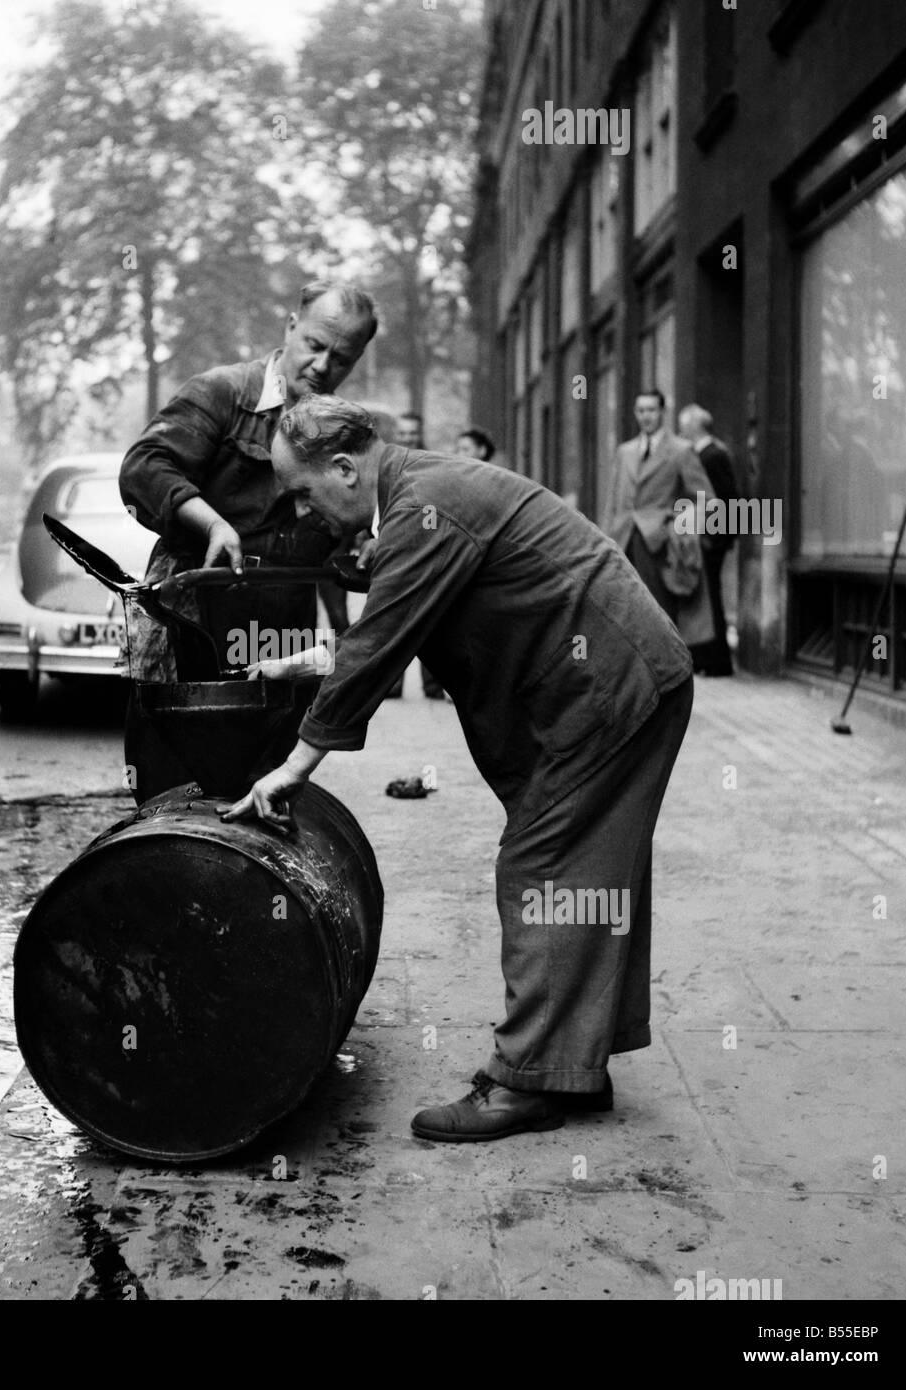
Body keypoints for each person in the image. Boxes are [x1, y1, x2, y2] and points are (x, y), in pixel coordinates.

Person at [223, 395, 693, 1142]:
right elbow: (401, 623)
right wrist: (301, 662)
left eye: (304, 491)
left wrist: (294, 766)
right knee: (588, 874)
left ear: (344, 468)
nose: (304, 511)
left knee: (543, 866)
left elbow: (379, 640)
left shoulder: (424, 506)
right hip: (617, 677)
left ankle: (527, 1084)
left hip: (612, 685)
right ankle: (570, 1067)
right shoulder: (418, 497)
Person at [118, 282, 377, 791]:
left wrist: (367, 542)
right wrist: (211, 522)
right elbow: (143, 468)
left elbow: (359, 517)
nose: (324, 367)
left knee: (266, 784)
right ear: (290, 327)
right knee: (173, 787)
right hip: (194, 626)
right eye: (315, 346)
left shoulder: (342, 434)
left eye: (342, 358)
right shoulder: (223, 394)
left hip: (282, 635)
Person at [605, 389, 715, 651]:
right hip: (623, 541)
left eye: (652, 410)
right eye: (641, 410)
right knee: (623, 614)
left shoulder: (680, 451)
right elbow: (613, 501)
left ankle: (663, 673)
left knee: (658, 616)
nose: (646, 416)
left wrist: (678, 524)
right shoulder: (625, 452)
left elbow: (708, 501)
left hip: (659, 547)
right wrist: (605, 537)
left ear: (663, 413)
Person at [387, 412, 446, 698]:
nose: (408, 438)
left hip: (425, 544)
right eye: (403, 433)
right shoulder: (388, 465)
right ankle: (392, 684)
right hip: (398, 546)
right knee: (393, 618)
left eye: (413, 433)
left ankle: (433, 685)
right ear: (396, 434)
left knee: (430, 618)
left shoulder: (430, 462)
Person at [678, 404, 737, 677]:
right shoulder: (707, 454)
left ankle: (718, 661)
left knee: (711, 599)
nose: (681, 431)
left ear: (694, 426)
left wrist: (716, 538)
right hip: (706, 538)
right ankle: (706, 658)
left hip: (711, 540)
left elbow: (726, 500)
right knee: (706, 599)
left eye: (683, 426)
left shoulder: (711, 455)